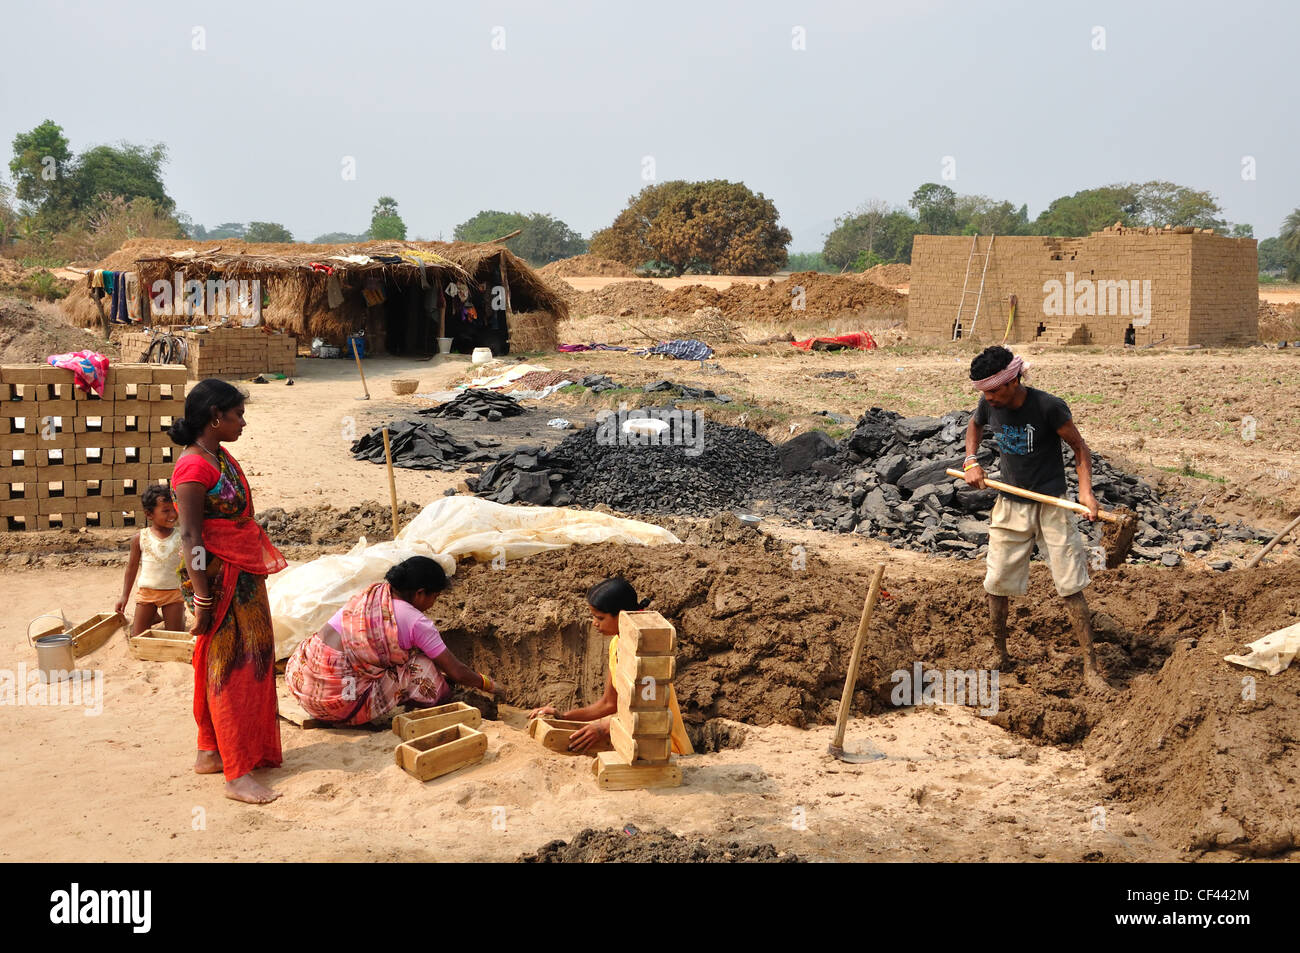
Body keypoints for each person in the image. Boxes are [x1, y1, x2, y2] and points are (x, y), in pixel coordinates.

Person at [962, 346, 1108, 691]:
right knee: (996, 581)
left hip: (1052, 504)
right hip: (1011, 502)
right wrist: (971, 460)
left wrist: (1085, 492)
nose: (989, 397)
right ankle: (999, 653)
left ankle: (1091, 667)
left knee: (1070, 584)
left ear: (1014, 380)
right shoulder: (988, 403)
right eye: (984, 391)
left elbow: (1080, 448)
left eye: (995, 390)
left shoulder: (1047, 407)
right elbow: (974, 425)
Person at [170, 379, 288, 804]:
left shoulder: (218, 456)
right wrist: (202, 598)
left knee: (232, 662)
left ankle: (210, 750)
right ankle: (236, 774)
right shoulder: (193, 468)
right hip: (219, 583)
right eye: (237, 414)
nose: (243, 421)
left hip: (241, 574)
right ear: (215, 416)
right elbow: (190, 536)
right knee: (232, 669)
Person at [285, 556, 505, 725]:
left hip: (307, 688)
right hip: (338, 704)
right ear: (420, 593)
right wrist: (490, 684)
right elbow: (456, 671)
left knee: (400, 660)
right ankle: (450, 701)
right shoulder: (417, 622)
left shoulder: (373, 596)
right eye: (434, 597)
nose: (433, 604)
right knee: (422, 667)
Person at [528, 578, 693, 755]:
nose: (594, 623)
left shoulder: (648, 655)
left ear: (621, 616)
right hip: (633, 737)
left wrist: (605, 727)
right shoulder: (616, 644)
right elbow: (608, 703)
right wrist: (561, 716)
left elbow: (649, 710)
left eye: (600, 617)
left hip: (664, 747)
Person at [115, 483, 186, 636]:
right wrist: (124, 596)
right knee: (137, 636)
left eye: (174, 508)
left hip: (173, 593)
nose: (172, 514)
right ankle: (153, 615)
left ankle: (179, 615)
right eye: (166, 511)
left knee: (175, 636)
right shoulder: (140, 538)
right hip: (147, 594)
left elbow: (191, 565)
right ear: (149, 514)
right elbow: (132, 568)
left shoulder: (181, 537)